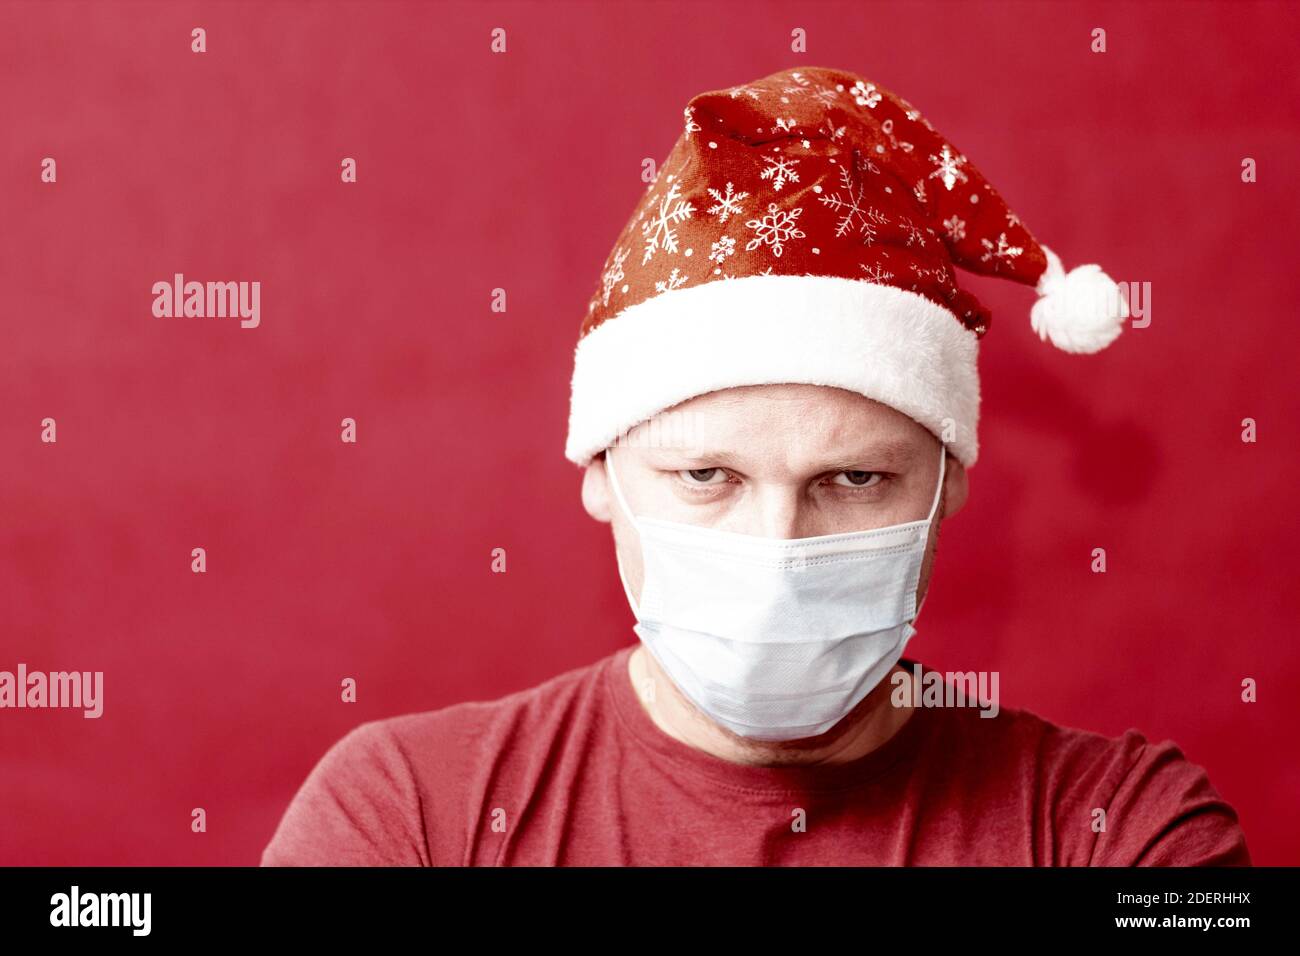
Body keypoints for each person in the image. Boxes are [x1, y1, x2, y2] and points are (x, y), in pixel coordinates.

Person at [261, 66, 1249, 866]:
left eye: (853, 480)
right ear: (601, 471)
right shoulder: (405, 817)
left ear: (947, 481)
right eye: (706, 477)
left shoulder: (1117, 830)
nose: (777, 554)